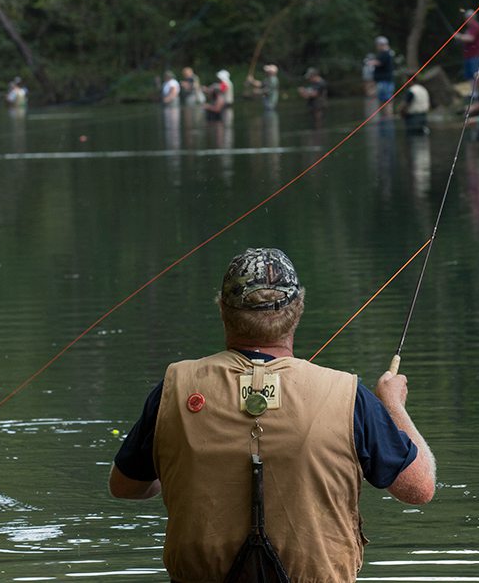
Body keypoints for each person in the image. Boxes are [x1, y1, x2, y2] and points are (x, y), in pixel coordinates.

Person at [108, 248, 436, 581]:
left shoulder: (174, 388)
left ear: (223, 309)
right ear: (298, 310)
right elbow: (419, 488)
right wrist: (392, 405)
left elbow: (124, 486)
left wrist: (182, 459)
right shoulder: (349, 396)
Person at [455, 8, 479, 81]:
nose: (465, 20)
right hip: (469, 55)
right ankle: (474, 92)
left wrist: (459, 36)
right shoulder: (470, 27)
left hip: (475, 55)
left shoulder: (475, 26)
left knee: (477, 75)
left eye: (466, 18)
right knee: (470, 76)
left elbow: (471, 38)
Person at [366, 36, 395, 105]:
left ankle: (387, 115)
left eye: (378, 45)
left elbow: (379, 62)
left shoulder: (385, 53)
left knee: (386, 101)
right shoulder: (387, 53)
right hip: (384, 81)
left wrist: (370, 62)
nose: (377, 47)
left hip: (385, 81)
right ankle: (385, 115)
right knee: (383, 100)